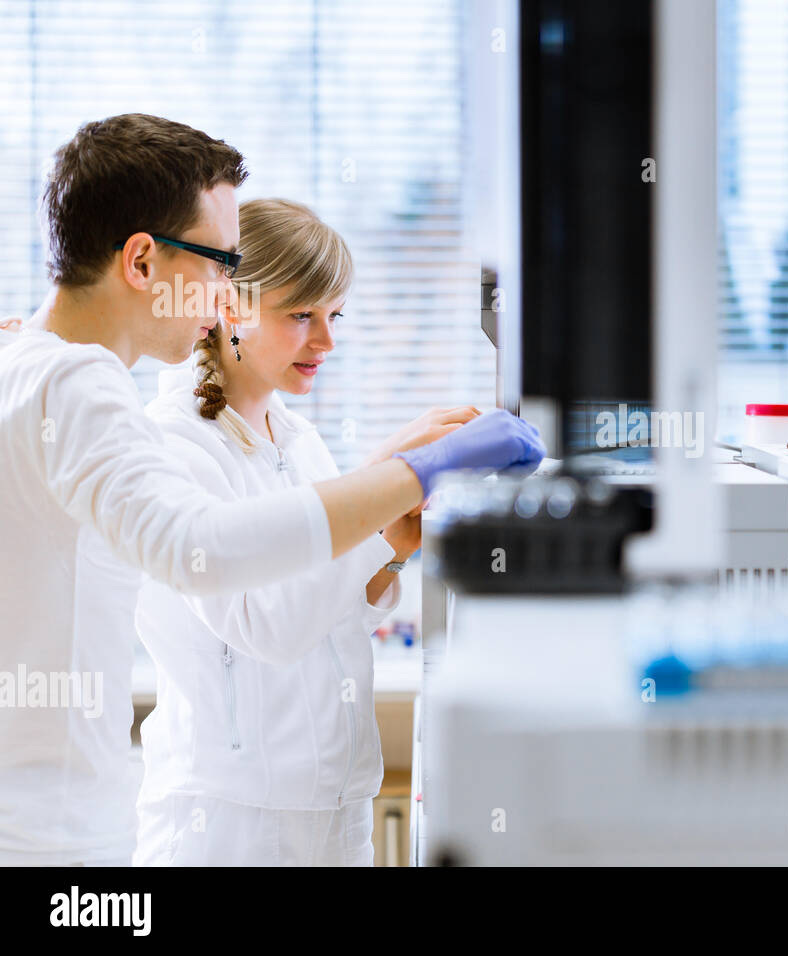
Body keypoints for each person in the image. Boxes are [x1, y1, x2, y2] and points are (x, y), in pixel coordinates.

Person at [0, 114, 544, 865]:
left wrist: (385, 528)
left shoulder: (29, 364)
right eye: (221, 261)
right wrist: (411, 470)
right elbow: (204, 551)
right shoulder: (81, 382)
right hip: (65, 835)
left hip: (65, 818)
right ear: (140, 262)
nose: (225, 291)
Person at [133, 199, 473, 865]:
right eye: (302, 316)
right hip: (231, 819)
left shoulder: (296, 435)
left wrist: (390, 552)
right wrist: (382, 486)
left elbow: (334, 599)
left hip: (333, 802)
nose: (327, 341)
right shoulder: (176, 444)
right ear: (231, 306)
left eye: (335, 316)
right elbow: (271, 627)